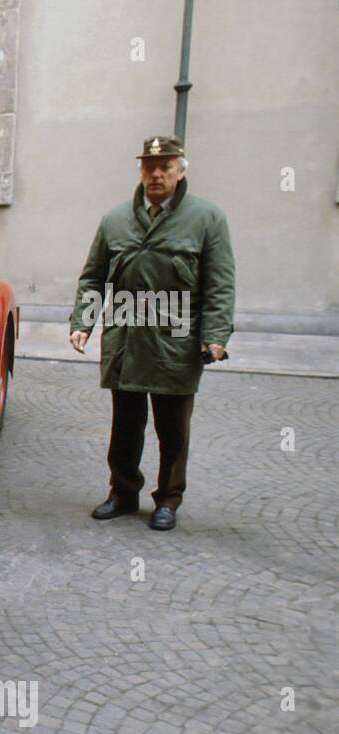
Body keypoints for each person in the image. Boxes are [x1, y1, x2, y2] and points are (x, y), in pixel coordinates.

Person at [69, 135, 235, 531]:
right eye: (149, 166)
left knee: (172, 427)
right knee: (124, 425)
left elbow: (219, 284)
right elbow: (93, 277)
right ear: (140, 170)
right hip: (125, 335)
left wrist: (215, 335)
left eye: (166, 166)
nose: (156, 174)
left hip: (175, 337)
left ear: (181, 171)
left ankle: (168, 499)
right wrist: (83, 323)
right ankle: (123, 492)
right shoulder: (115, 220)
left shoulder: (207, 218)